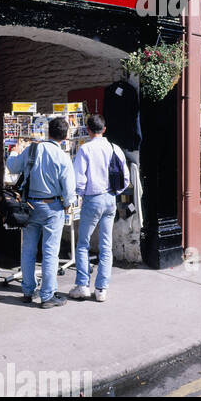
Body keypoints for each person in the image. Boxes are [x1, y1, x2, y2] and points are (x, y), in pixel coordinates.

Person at [6, 117, 76, 308]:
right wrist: (69, 204)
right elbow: (69, 188)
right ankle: (47, 295)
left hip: (30, 206)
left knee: (28, 249)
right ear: (65, 136)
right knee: (50, 252)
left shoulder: (32, 149)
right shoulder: (62, 157)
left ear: (48, 132)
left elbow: (12, 166)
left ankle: (28, 290)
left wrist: (14, 151)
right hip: (52, 207)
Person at [70, 114, 129, 303]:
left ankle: (82, 286)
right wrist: (114, 191)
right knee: (106, 246)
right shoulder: (115, 148)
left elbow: (79, 179)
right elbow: (124, 178)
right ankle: (101, 289)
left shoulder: (85, 149)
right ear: (104, 129)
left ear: (88, 130)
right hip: (110, 198)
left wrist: (81, 193)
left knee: (83, 244)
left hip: (92, 199)